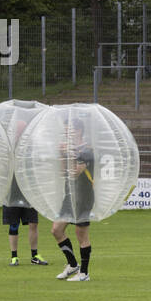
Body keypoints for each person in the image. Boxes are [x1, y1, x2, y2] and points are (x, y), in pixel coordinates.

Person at [2, 120, 49, 268]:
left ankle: (34, 255)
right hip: (12, 191)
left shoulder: (31, 147)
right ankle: (14, 256)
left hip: (28, 191)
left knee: (33, 223)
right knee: (14, 225)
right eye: (19, 130)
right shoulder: (8, 148)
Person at [52, 120, 95, 282]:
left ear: (78, 131)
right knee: (56, 230)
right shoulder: (71, 150)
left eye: (69, 132)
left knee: (81, 234)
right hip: (70, 196)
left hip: (83, 196)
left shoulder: (86, 151)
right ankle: (72, 264)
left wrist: (69, 154)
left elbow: (75, 173)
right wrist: (62, 155)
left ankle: (84, 273)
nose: (66, 135)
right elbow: (64, 173)